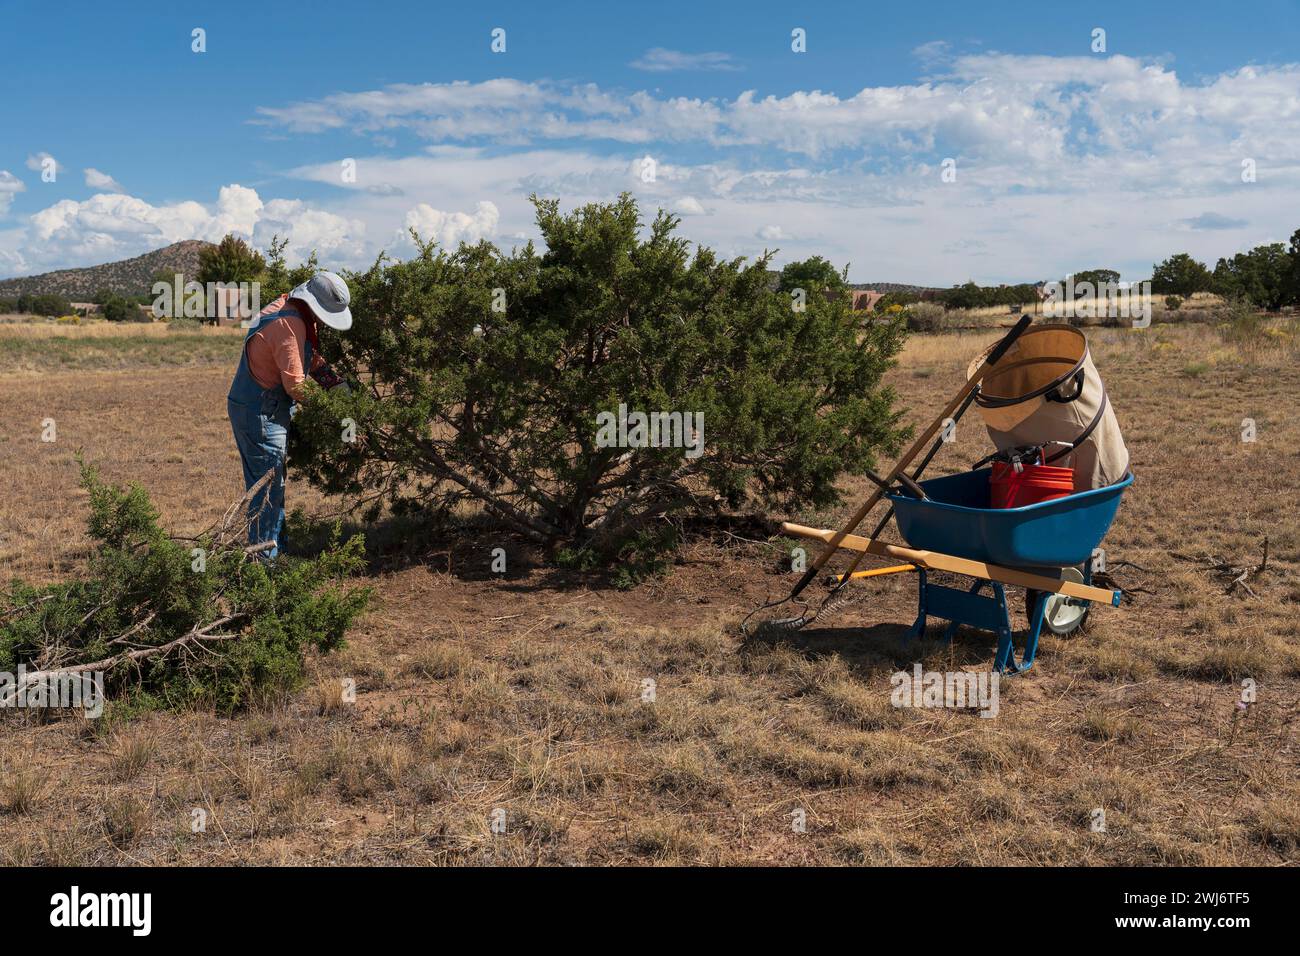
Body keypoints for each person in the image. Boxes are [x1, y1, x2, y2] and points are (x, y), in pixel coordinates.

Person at [226, 271, 352, 558]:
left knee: (272, 485)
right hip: (260, 414)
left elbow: (307, 356)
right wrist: (332, 411)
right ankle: (263, 569)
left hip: (260, 407)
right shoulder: (287, 322)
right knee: (267, 491)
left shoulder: (293, 311)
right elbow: (295, 385)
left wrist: (334, 382)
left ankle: (275, 553)